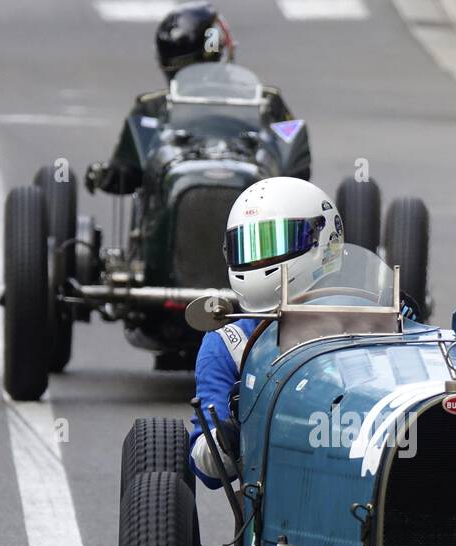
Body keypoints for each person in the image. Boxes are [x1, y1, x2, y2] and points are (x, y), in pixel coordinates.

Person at [189, 178, 344, 488]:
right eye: (248, 247)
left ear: (322, 239)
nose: (258, 260)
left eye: (270, 245)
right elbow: (205, 467)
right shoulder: (229, 345)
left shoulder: (375, 323)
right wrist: (230, 433)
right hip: (277, 500)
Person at [84, 2, 296, 196]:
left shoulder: (151, 108)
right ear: (221, 50)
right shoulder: (266, 102)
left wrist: (104, 174)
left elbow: (124, 177)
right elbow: (296, 172)